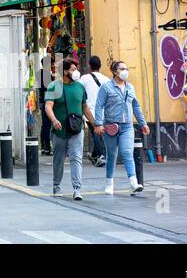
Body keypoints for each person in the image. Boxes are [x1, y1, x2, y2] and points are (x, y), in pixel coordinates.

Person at [94, 59, 149, 196]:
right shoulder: (106, 87)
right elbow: (99, 106)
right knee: (112, 155)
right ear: (114, 71)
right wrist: (99, 124)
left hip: (127, 127)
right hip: (110, 126)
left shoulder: (130, 87)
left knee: (126, 153)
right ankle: (109, 184)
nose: (125, 71)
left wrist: (143, 123)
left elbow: (135, 105)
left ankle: (133, 183)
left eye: (127, 68)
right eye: (122, 69)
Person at [45, 58, 96, 200]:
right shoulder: (53, 86)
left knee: (76, 158)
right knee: (58, 159)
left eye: (76, 69)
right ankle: (57, 186)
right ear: (65, 71)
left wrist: (94, 123)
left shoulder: (80, 87)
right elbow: (48, 106)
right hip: (59, 130)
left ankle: (77, 189)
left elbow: (85, 107)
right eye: (73, 69)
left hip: (76, 129)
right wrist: (54, 120)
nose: (76, 72)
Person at [80, 56, 108, 166]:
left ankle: (102, 155)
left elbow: (80, 92)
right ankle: (95, 155)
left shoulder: (84, 78)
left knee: (95, 133)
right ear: (100, 66)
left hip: (89, 111)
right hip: (103, 111)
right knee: (98, 133)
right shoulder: (106, 79)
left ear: (89, 66)